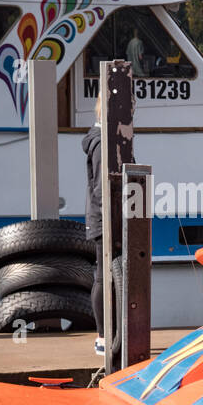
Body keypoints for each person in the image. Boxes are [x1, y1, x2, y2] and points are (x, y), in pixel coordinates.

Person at [83, 94, 118, 359]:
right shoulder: (102, 142)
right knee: (104, 275)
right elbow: (100, 187)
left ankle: (111, 333)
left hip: (105, 216)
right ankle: (104, 335)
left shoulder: (106, 138)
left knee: (109, 275)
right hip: (104, 218)